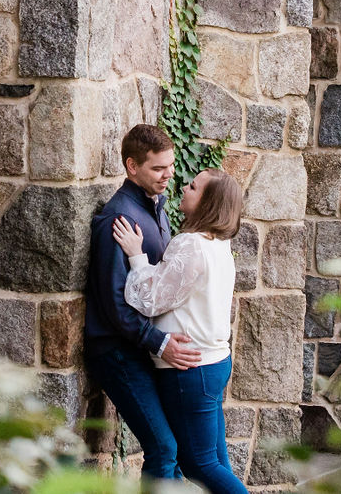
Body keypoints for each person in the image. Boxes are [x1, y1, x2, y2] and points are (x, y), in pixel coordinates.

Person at [111, 168, 247, 494]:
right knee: (215, 460)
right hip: (213, 364)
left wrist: (135, 255)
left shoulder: (191, 244)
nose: (184, 187)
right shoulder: (218, 245)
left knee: (199, 465)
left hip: (190, 370)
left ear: (208, 203)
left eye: (194, 186)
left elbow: (151, 300)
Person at [83, 124, 202, 480]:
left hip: (142, 349)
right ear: (132, 166)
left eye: (170, 166)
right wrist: (161, 343)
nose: (169, 175)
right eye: (158, 168)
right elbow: (113, 305)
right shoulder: (118, 220)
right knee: (163, 447)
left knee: (176, 445)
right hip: (117, 352)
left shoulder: (156, 208)